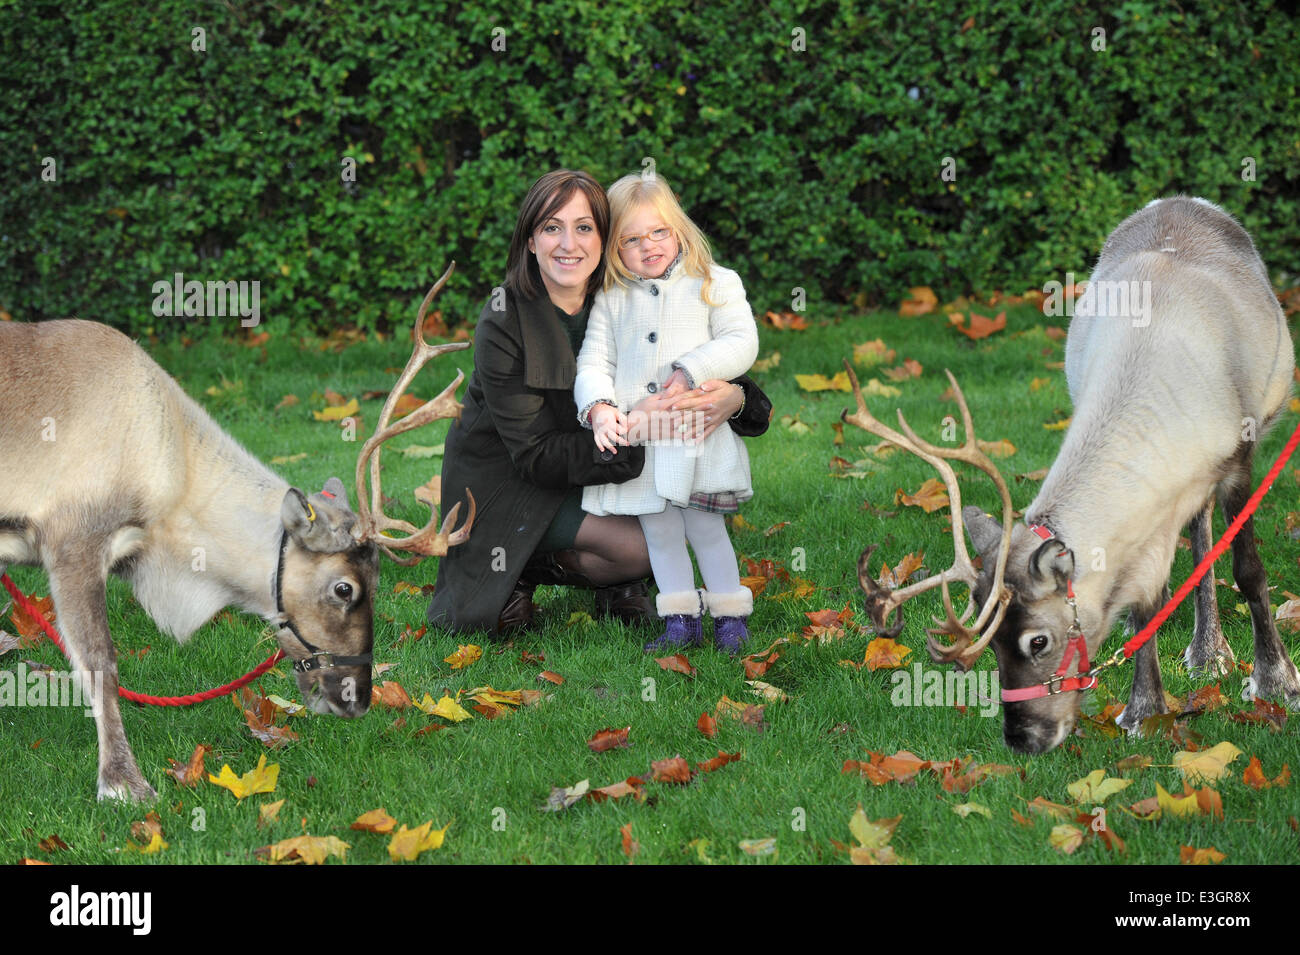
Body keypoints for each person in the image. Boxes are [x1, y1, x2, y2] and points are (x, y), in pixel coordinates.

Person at [426, 169, 771, 636]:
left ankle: (614, 583)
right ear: (531, 240)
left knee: (674, 516)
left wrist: (736, 396)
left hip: (590, 464)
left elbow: (706, 357)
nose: (569, 243)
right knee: (643, 544)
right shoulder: (504, 318)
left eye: (584, 227)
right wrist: (634, 428)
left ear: (604, 239)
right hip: (512, 481)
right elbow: (534, 455)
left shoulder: (622, 291)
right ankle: (522, 569)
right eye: (552, 227)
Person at [574, 172, 759, 654]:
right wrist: (598, 407)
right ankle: (679, 615)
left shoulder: (714, 282)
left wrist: (693, 368)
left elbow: (742, 341)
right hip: (645, 438)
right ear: (615, 248)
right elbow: (595, 360)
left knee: (704, 525)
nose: (648, 246)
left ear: (678, 228)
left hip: (696, 434)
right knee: (658, 528)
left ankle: (729, 614)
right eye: (631, 239)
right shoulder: (612, 299)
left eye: (658, 231)